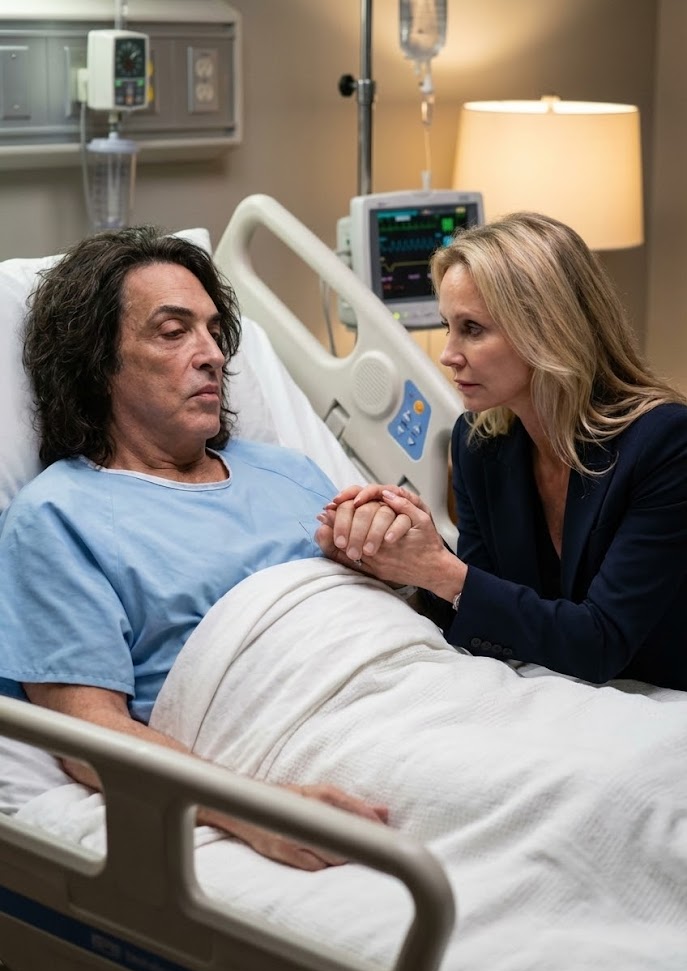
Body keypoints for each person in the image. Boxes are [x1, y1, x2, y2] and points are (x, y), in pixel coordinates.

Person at [0, 225, 388, 870]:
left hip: (413, 693)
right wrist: (258, 810)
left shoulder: (289, 470)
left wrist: (403, 556)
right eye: (173, 331)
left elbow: (377, 624)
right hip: (298, 745)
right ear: (98, 363)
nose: (211, 354)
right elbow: (86, 733)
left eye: (213, 331)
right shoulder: (57, 517)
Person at [317, 211, 687, 689]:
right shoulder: (479, 445)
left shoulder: (664, 444)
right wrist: (403, 557)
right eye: (448, 326)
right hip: (566, 697)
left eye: (472, 328)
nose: (448, 354)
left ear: (548, 329)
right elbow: (487, 614)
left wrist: (441, 570)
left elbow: (601, 642)